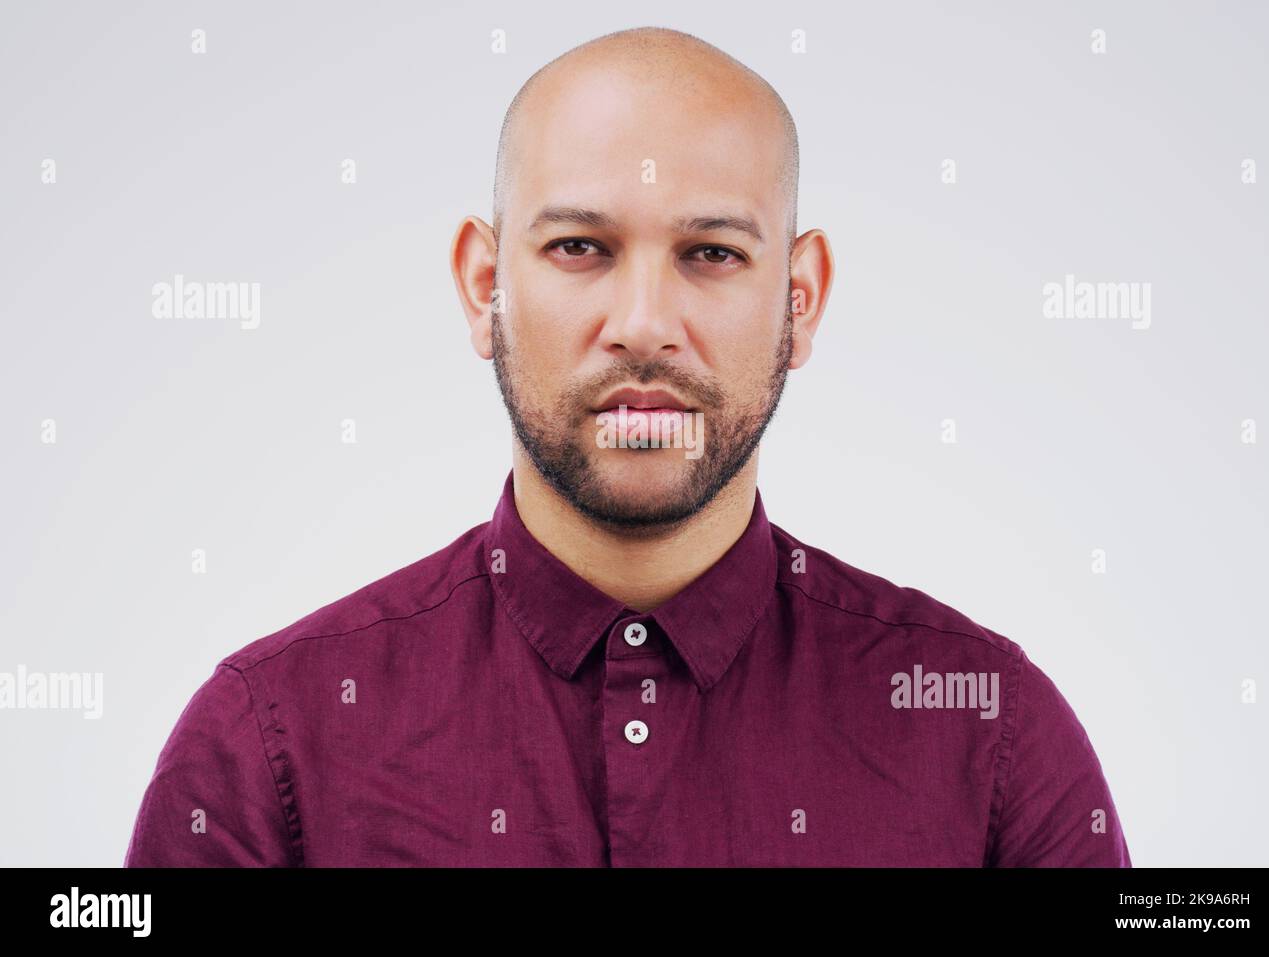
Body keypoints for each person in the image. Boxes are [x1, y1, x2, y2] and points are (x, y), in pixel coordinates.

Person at [124, 26, 1130, 867]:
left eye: (710, 254)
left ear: (800, 299)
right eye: (579, 248)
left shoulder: (990, 735)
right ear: (485, 287)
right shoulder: (264, 748)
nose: (643, 322)